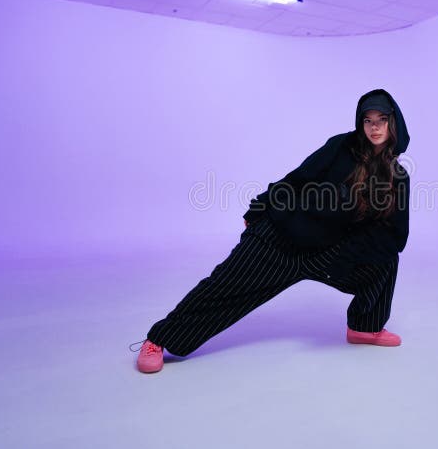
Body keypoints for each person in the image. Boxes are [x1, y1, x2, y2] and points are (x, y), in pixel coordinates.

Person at [129, 88, 411, 373]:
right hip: (283, 237)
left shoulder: (397, 177)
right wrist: (262, 206)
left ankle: (365, 327)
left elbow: (394, 235)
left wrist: (347, 255)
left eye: (381, 120)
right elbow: (299, 178)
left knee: (386, 260)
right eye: (368, 120)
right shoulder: (341, 147)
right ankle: (158, 340)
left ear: (393, 122)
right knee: (223, 285)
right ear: (359, 123)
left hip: (328, 254)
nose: (374, 128)